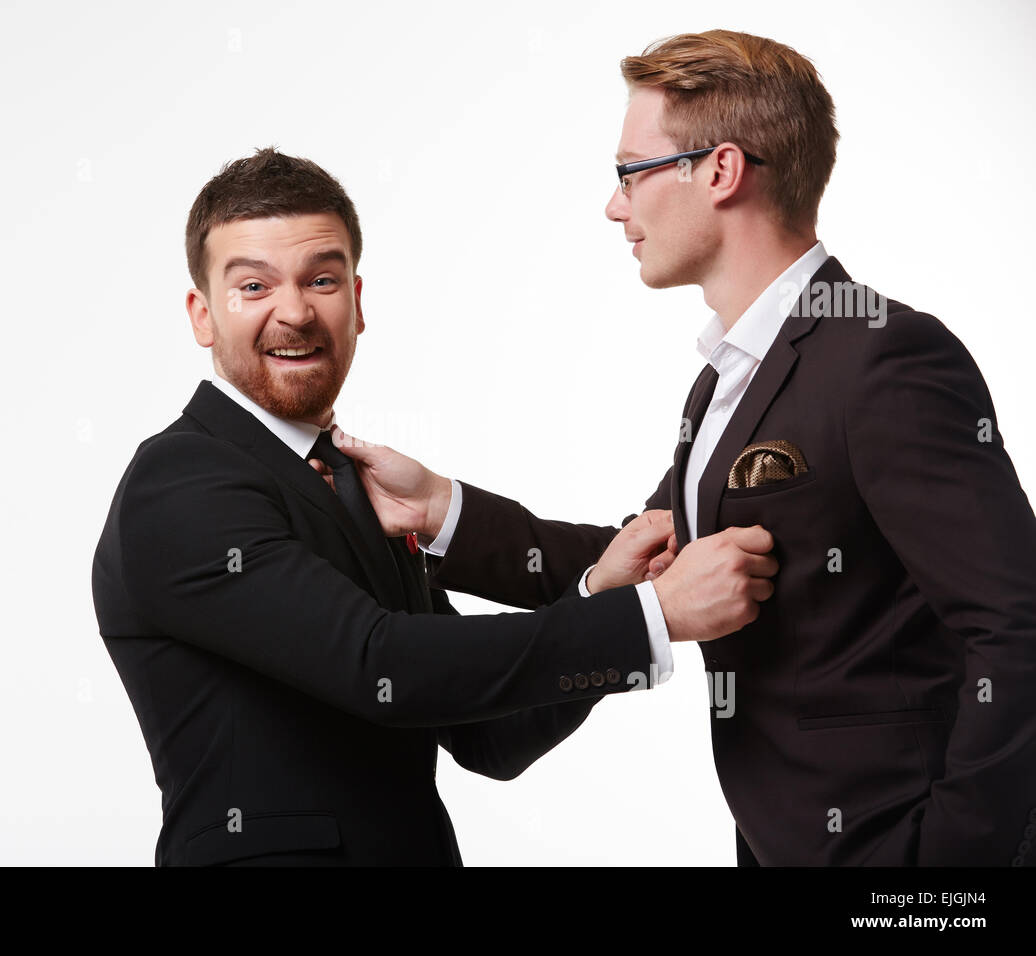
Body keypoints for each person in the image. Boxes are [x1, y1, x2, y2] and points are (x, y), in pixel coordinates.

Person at [336, 31, 1036, 866]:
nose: (614, 205)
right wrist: (442, 508)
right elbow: (645, 562)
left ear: (720, 170)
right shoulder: (726, 379)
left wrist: (949, 870)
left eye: (630, 172)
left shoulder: (882, 355)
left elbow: (1018, 626)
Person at [91, 147, 776, 866]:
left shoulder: (348, 482)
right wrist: (653, 616)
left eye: (320, 279)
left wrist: (602, 590)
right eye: (254, 286)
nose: (293, 311)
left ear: (357, 303)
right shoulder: (180, 482)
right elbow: (381, 664)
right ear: (203, 315)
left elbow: (489, 736)